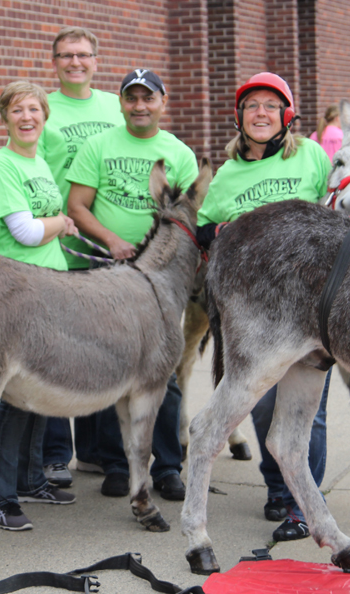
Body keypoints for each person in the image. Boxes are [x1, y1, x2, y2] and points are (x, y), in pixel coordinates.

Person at [195, 73, 333, 542]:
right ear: (240, 117)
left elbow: (336, 217)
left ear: (286, 116)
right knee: (257, 400)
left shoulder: (313, 157)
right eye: (252, 105)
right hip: (256, 309)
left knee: (307, 410)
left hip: (311, 303)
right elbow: (205, 232)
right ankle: (279, 488)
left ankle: (302, 504)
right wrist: (224, 231)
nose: (260, 113)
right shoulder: (229, 174)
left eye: (271, 106)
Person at [66, 68, 198, 501]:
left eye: (148, 98)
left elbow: (190, 215)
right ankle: (117, 464)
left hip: (159, 281)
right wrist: (113, 240)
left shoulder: (178, 153)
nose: (140, 106)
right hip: (108, 268)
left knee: (163, 370)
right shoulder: (98, 145)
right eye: (132, 98)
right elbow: (78, 206)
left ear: (163, 102)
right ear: (121, 102)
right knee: (109, 363)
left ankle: (168, 466)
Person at [0, 81, 79, 530]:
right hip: (15, 293)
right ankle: (0, 497)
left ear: (44, 117)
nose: (27, 117)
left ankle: (30, 478)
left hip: (48, 288)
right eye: (17, 110)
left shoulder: (37, 161)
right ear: (5, 117)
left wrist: (55, 226)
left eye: (35, 109)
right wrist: (61, 222)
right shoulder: (0, 165)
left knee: (38, 389)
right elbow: (25, 231)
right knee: (16, 395)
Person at [38, 26, 125, 489]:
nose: (75, 62)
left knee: (101, 353)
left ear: (96, 60)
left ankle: (98, 451)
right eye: (66, 55)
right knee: (55, 353)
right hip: (56, 244)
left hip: (100, 244)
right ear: (54, 62)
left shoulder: (116, 105)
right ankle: (56, 454)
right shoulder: (43, 108)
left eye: (84, 54)